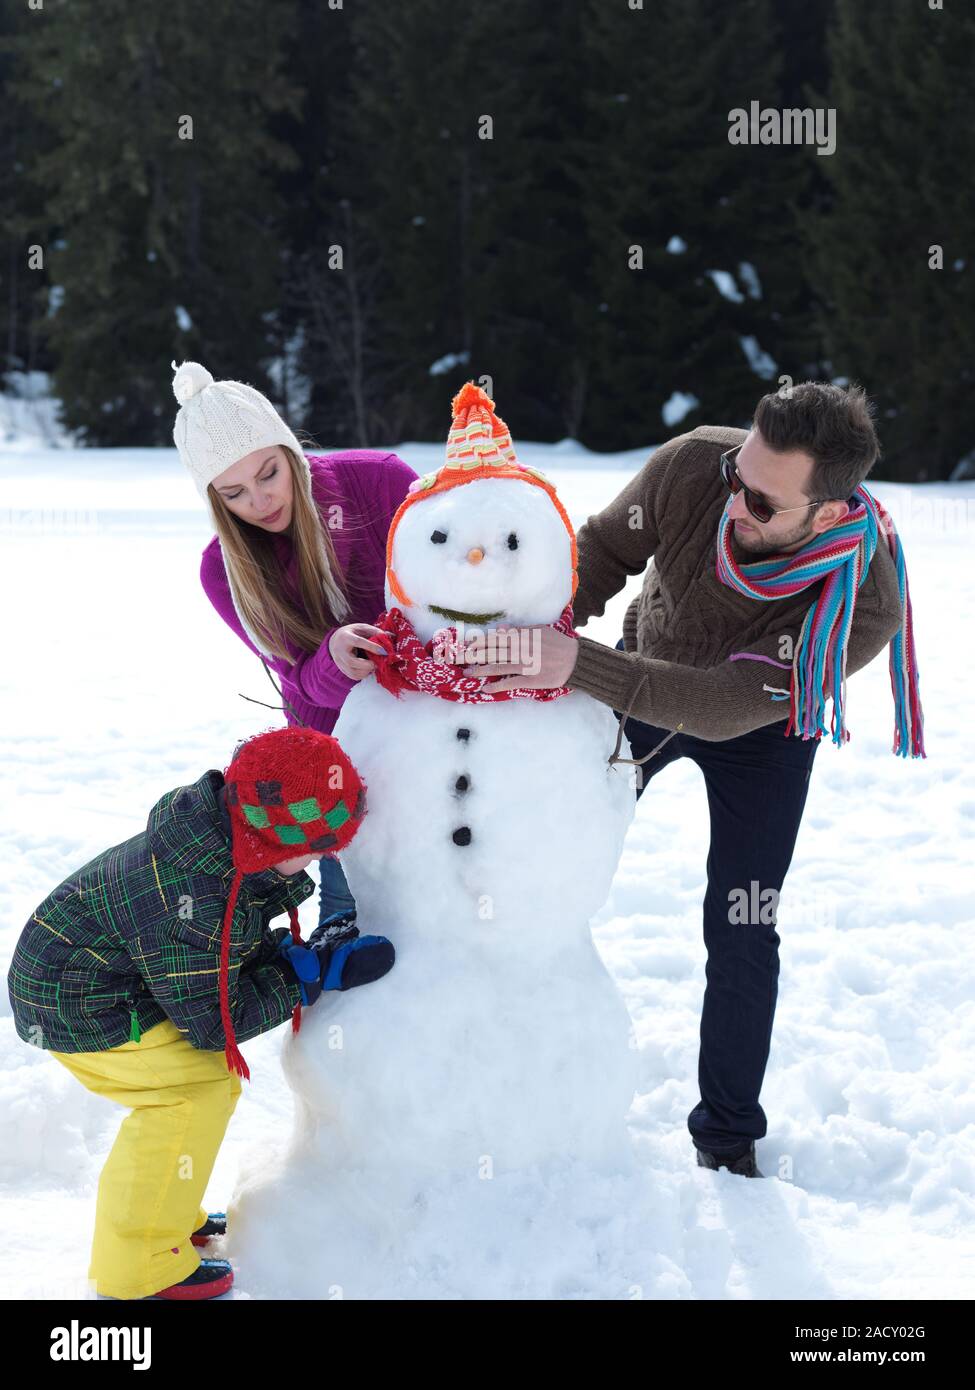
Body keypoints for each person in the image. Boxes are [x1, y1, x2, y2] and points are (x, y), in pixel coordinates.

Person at [459, 382, 924, 1178]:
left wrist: (576, 664)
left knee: (743, 926)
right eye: (737, 472)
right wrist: (533, 632)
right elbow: (600, 551)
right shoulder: (690, 469)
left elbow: (720, 707)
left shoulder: (866, 598)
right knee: (536, 868)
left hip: (764, 731)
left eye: (762, 500)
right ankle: (496, 1086)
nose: (734, 500)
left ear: (828, 512)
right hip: (643, 670)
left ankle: (727, 1137)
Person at [6, 726, 395, 1300]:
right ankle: (138, 1267)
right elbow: (214, 1022)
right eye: (316, 849)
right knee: (189, 1096)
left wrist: (285, 959)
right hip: (76, 1004)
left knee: (208, 1087)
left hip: (118, 980)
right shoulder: (195, 898)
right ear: (275, 844)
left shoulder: (219, 840)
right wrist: (303, 978)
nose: (326, 857)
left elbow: (218, 952)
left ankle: (166, 1211)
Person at [170, 359, 418, 928]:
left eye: (268, 473)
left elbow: (453, 585)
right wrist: (332, 660)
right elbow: (301, 687)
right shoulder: (223, 571)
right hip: (340, 756)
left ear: (288, 451)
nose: (258, 500)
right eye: (233, 492)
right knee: (354, 919)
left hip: (437, 721)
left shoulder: (379, 480)